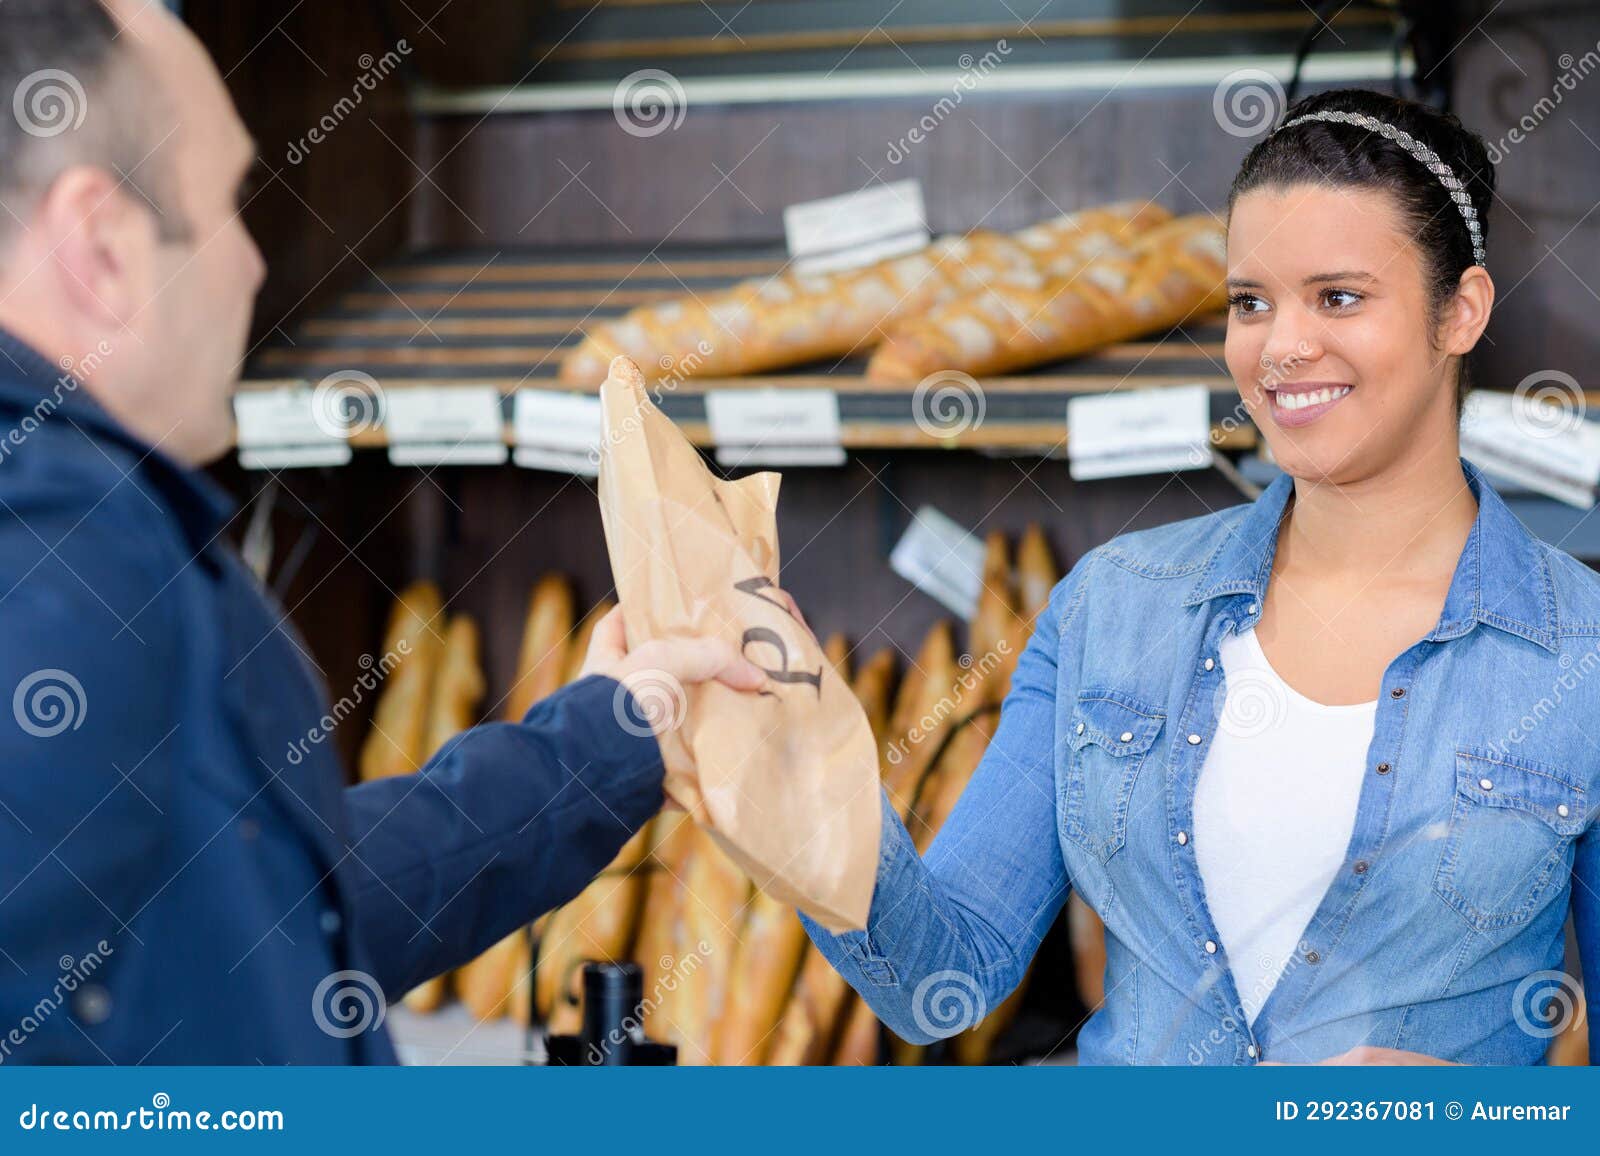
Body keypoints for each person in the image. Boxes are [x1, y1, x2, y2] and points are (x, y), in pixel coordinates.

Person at [0, 0, 765, 1064]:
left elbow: (260, 917)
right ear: (101, 248)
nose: (255, 267)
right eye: (229, 205)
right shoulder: (65, 548)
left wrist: (600, 742)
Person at [803, 87, 1600, 1065]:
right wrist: (800, 782)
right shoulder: (1111, 605)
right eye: (1249, 303)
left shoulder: (1578, 654)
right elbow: (944, 981)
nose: (1282, 345)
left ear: (1460, 313)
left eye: (1338, 296)